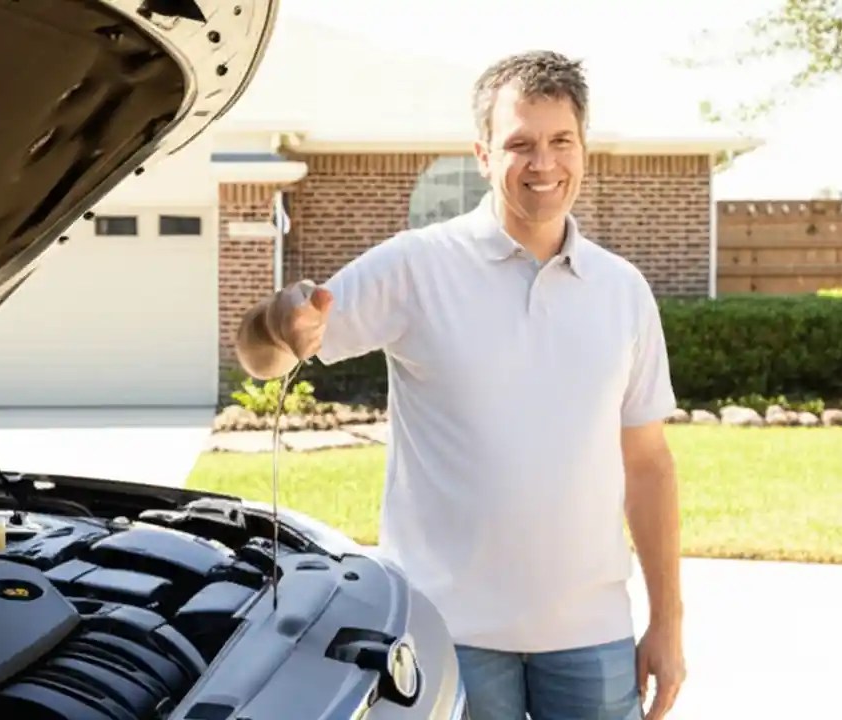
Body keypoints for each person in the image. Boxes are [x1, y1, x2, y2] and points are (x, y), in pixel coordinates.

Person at [234, 50, 686, 720]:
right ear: (482, 153)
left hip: (592, 636)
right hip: (450, 632)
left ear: (583, 148)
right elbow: (261, 356)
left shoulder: (623, 291)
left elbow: (648, 465)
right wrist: (280, 321)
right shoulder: (417, 267)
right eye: (520, 144)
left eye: (561, 141)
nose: (544, 164)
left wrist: (668, 623)